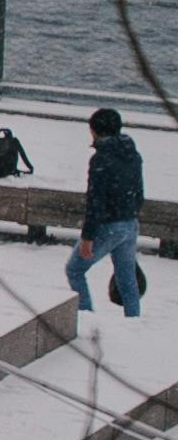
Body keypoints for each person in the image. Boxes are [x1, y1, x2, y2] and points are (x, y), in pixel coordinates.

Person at [82, 109, 151, 325]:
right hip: (130, 223)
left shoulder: (101, 159)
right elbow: (139, 193)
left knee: (75, 269)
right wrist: (130, 217)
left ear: (95, 131)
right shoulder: (132, 154)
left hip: (109, 225)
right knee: (126, 276)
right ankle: (133, 321)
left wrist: (88, 236)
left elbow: (96, 201)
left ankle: (86, 318)